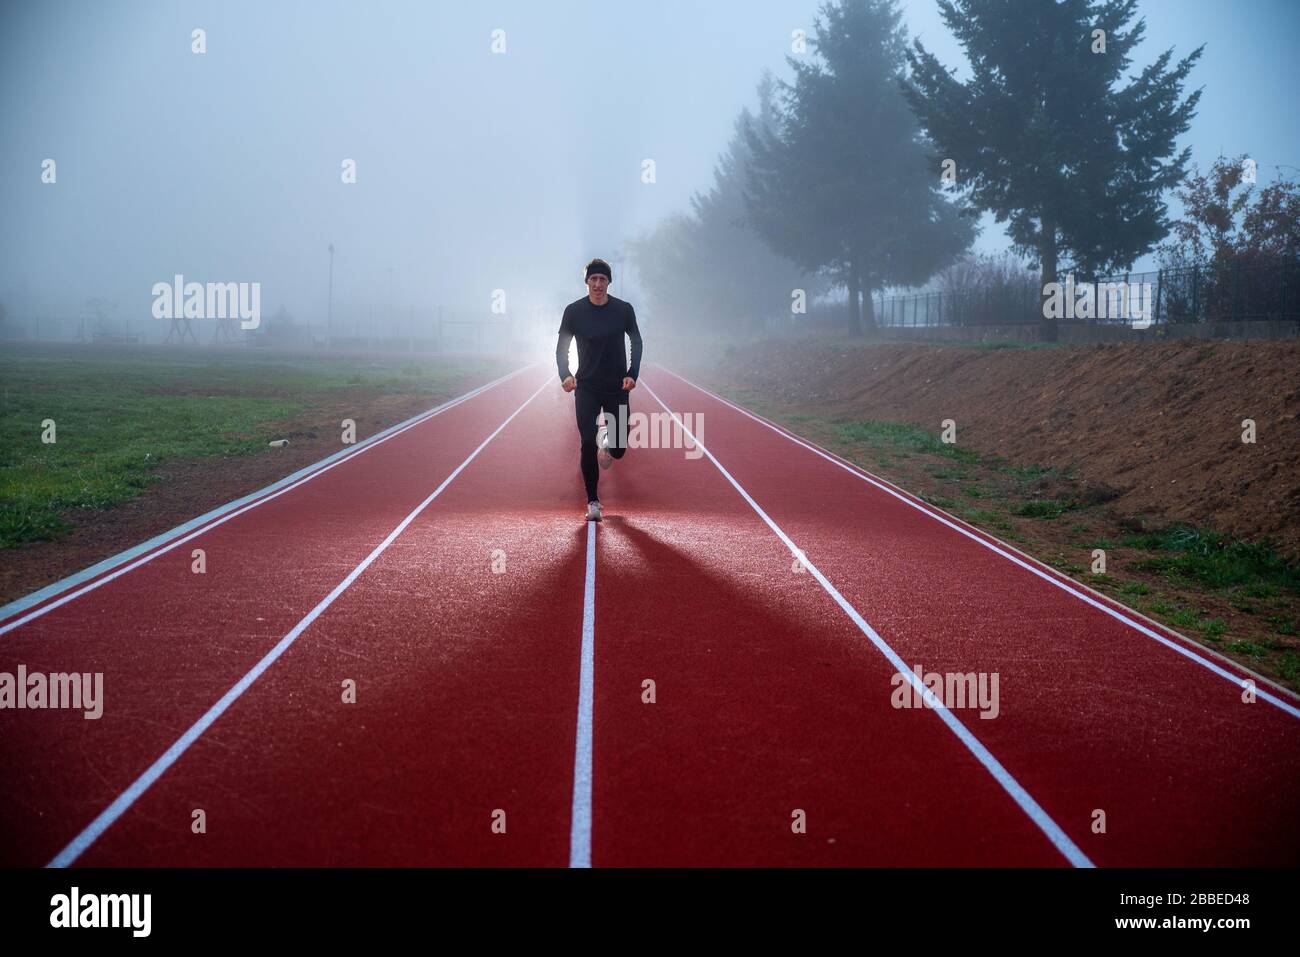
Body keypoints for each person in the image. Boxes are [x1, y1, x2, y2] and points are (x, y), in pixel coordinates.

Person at [555, 258, 643, 522]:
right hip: (587, 387)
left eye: (602, 279)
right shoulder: (573, 311)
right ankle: (593, 501)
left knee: (618, 449)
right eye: (593, 279)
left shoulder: (623, 310)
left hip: (617, 386)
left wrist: (632, 373)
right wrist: (565, 374)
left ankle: (608, 443)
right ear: (586, 283)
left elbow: (636, 340)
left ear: (608, 283)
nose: (597, 284)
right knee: (585, 442)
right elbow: (561, 347)